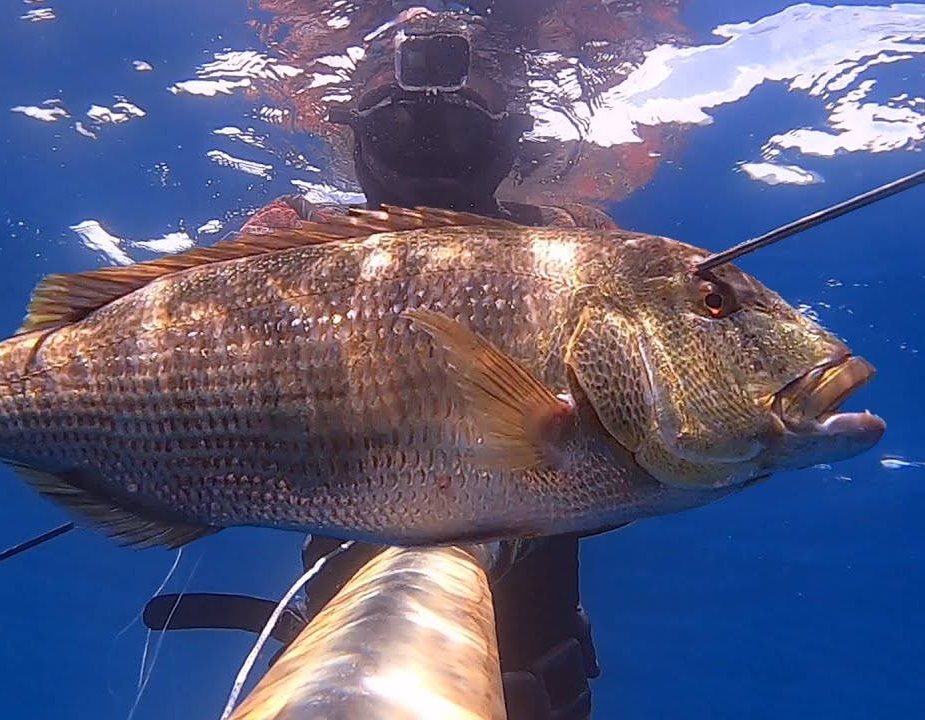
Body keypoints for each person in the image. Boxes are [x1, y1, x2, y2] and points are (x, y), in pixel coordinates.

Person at [141, 7, 633, 719]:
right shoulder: (293, 240)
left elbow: (627, 449)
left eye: (458, 129)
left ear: (507, 135)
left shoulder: (575, 246)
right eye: (397, 127)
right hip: (348, 647)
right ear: (356, 133)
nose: (427, 148)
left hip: (524, 667)